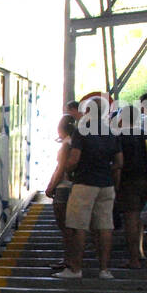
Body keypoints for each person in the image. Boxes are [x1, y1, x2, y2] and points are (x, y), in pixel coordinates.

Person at [54, 112, 122, 279]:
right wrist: (105, 170)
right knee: (105, 226)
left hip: (85, 183)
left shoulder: (82, 131)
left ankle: (75, 269)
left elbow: (74, 159)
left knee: (78, 226)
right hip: (106, 185)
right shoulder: (111, 133)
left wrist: (70, 170)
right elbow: (120, 163)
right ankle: (104, 270)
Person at [114, 103, 147, 268]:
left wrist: (116, 186)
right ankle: (139, 252)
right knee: (138, 217)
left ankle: (134, 259)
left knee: (131, 219)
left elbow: (118, 163)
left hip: (129, 182)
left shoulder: (119, 137)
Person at [43, 114, 77, 241]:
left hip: (63, 187)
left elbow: (60, 169)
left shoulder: (66, 144)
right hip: (74, 186)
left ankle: (70, 257)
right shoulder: (76, 142)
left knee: (64, 225)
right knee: (73, 225)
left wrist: (50, 187)